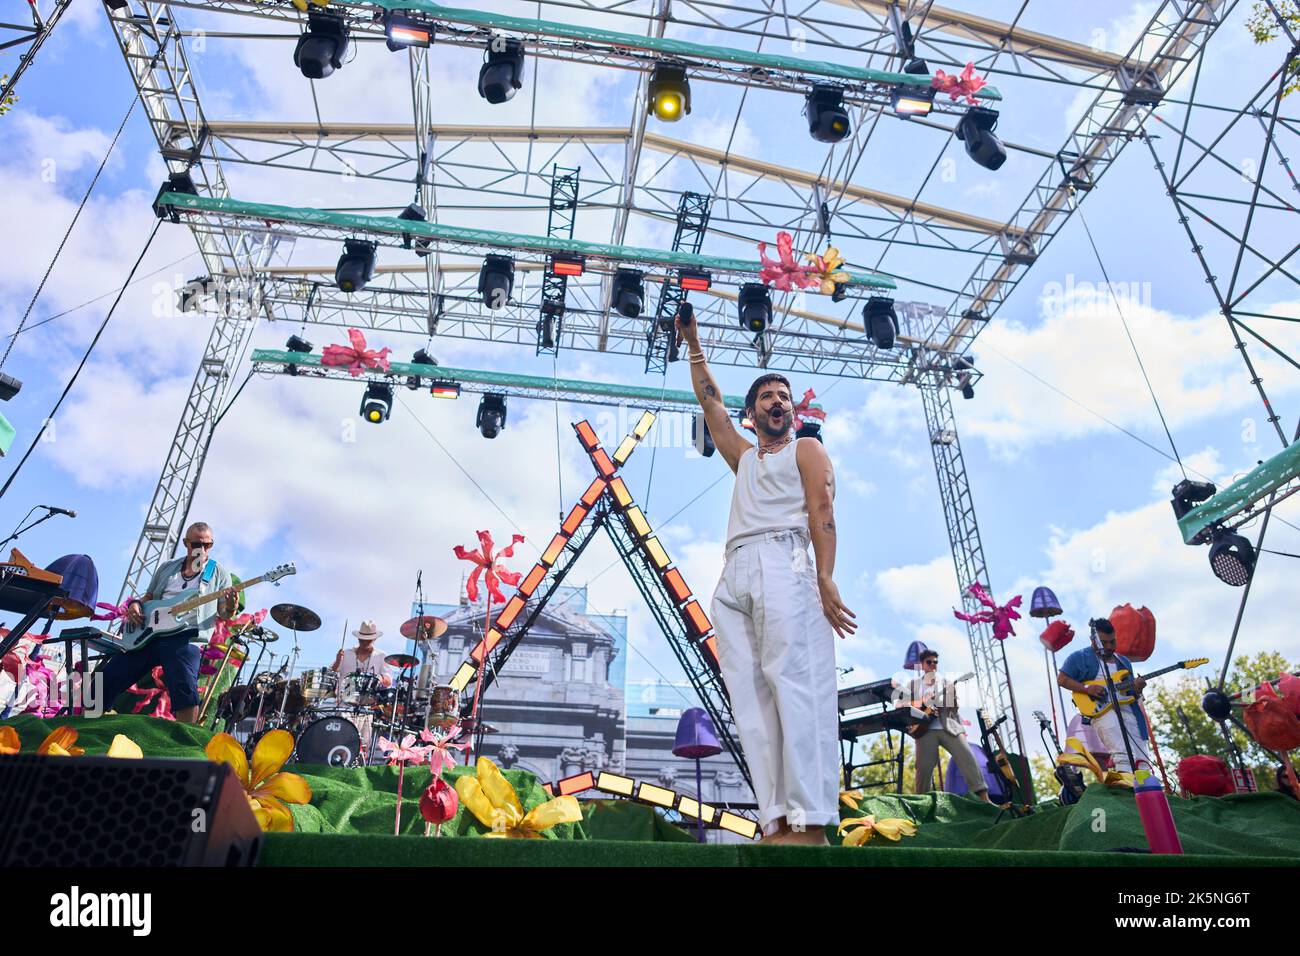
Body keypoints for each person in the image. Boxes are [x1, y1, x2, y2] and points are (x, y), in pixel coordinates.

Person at [679, 307, 855, 846]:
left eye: (785, 396)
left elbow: (822, 510)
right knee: (750, 698)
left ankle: (811, 821)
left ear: (793, 412)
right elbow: (711, 403)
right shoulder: (744, 456)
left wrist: (825, 576)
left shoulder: (807, 448)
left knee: (794, 685)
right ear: (753, 414)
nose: (778, 402)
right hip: (735, 573)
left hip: (787, 560)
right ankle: (777, 818)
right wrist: (692, 342)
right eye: (767, 397)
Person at [103, 522, 238, 724]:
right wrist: (136, 605)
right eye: (196, 544)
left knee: (185, 686)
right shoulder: (168, 568)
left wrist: (231, 606)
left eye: (207, 545)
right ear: (185, 543)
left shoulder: (218, 573)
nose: (202, 549)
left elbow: (225, 614)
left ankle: (185, 742)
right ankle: (82, 725)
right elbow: (149, 596)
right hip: (149, 632)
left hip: (187, 635)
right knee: (106, 677)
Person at [1057, 618, 1153, 774]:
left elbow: (1130, 693)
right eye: (1104, 643)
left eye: (1112, 642)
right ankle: (1127, 793)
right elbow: (1062, 679)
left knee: (1143, 758)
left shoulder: (1124, 662)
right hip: (1102, 710)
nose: (1109, 647)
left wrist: (1137, 689)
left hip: (1130, 710)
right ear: (1092, 640)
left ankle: (1147, 793)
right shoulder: (1078, 657)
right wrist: (1087, 688)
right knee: (1122, 754)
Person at [904, 649, 992, 802]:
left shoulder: (946, 683)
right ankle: (921, 803)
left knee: (968, 757)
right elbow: (905, 705)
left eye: (935, 662)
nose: (933, 665)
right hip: (924, 730)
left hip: (948, 727)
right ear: (922, 665)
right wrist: (923, 702)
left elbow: (953, 710)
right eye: (929, 662)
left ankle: (984, 797)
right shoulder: (913, 685)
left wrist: (952, 698)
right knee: (924, 768)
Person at [332, 620, 393, 697]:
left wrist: (379, 678)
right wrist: (337, 661)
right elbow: (331, 674)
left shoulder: (382, 655)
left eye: (368, 640)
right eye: (362, 639)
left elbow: (389, 681)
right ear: (358, 638)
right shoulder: (346, 653)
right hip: (343, 703)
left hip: (369, 704)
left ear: (375, 639)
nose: (365, 642)